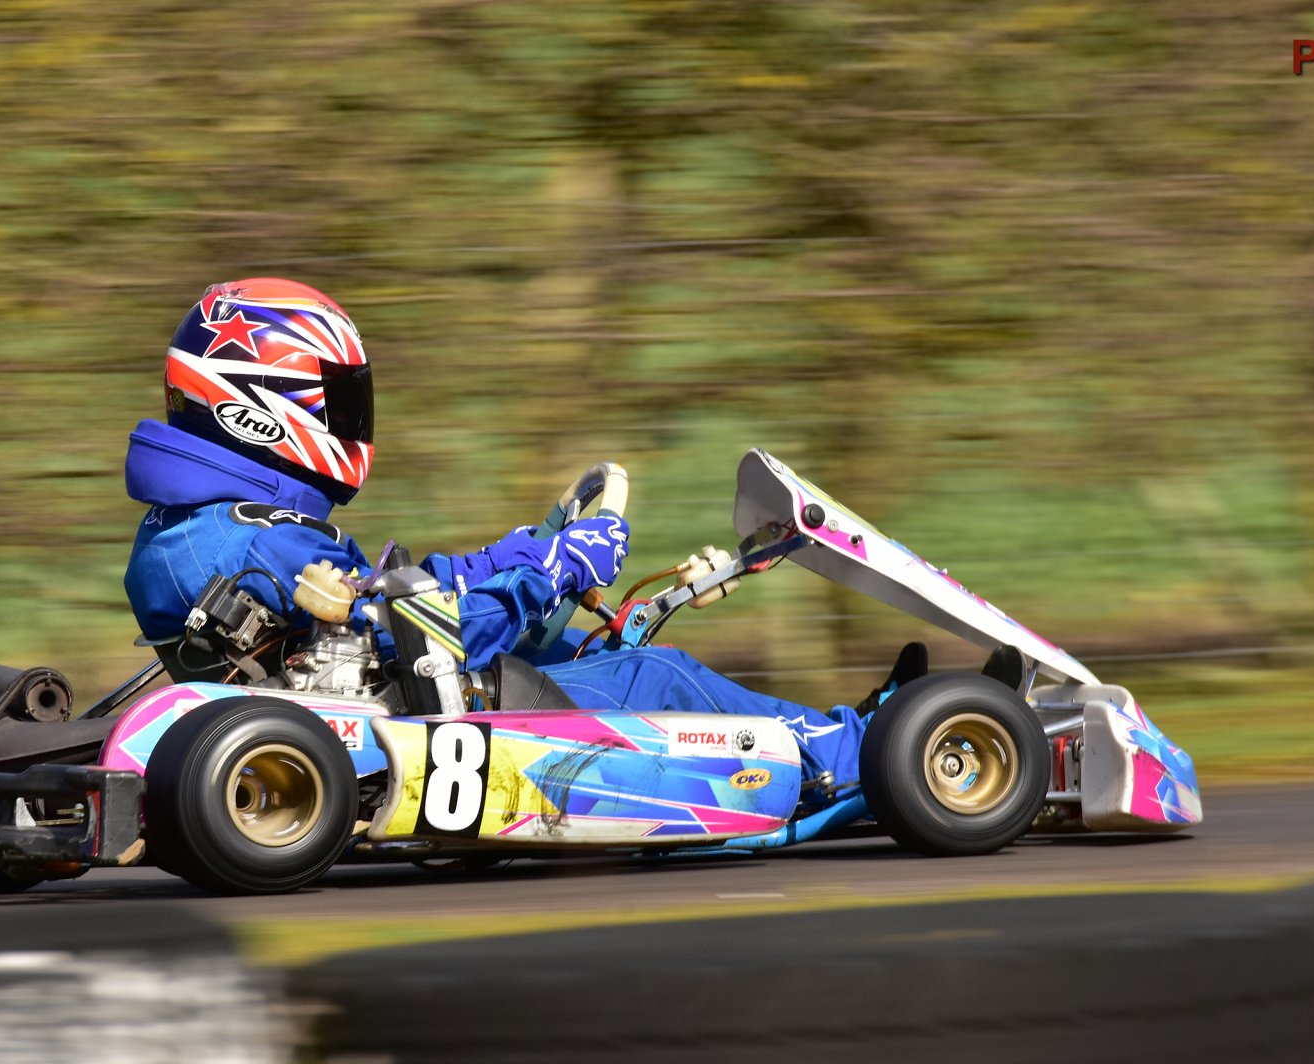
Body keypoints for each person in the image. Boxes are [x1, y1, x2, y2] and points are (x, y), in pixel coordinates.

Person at [123, 278, 923, 790]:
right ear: (258, 411)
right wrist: (551, 573)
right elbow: (424, 640)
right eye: (336, 400)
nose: (352, 419)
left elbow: (392, 598)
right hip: (410, 719)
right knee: (658, 675)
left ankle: (851, 733)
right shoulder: (258, 540)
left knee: (584, 649)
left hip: (379, 704)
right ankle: (875, 755)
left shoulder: (197, 527)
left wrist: (525, 554)